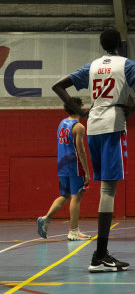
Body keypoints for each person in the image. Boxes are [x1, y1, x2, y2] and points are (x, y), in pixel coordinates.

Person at [52, 29, 135, 273]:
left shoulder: (92, 66)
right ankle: (99, 255)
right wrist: (133, 109)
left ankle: (101, 254)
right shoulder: (126, 64)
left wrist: (80, 111)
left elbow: (58, 86)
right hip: (113, 124)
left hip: (93, 127)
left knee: (104, 188)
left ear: (101, 45)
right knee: (109, 189)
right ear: (119, 44)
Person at [37, 97, 92, 241]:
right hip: (74, 164)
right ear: (78, 107)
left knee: (65, 195)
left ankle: (46, 218)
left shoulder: (62, 123)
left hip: (62, 164)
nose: (84, 108)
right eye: (82, 105)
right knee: (76, 197)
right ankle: (74, 232)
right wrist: (86, 171)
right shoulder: (79, 127)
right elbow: (81, 151)